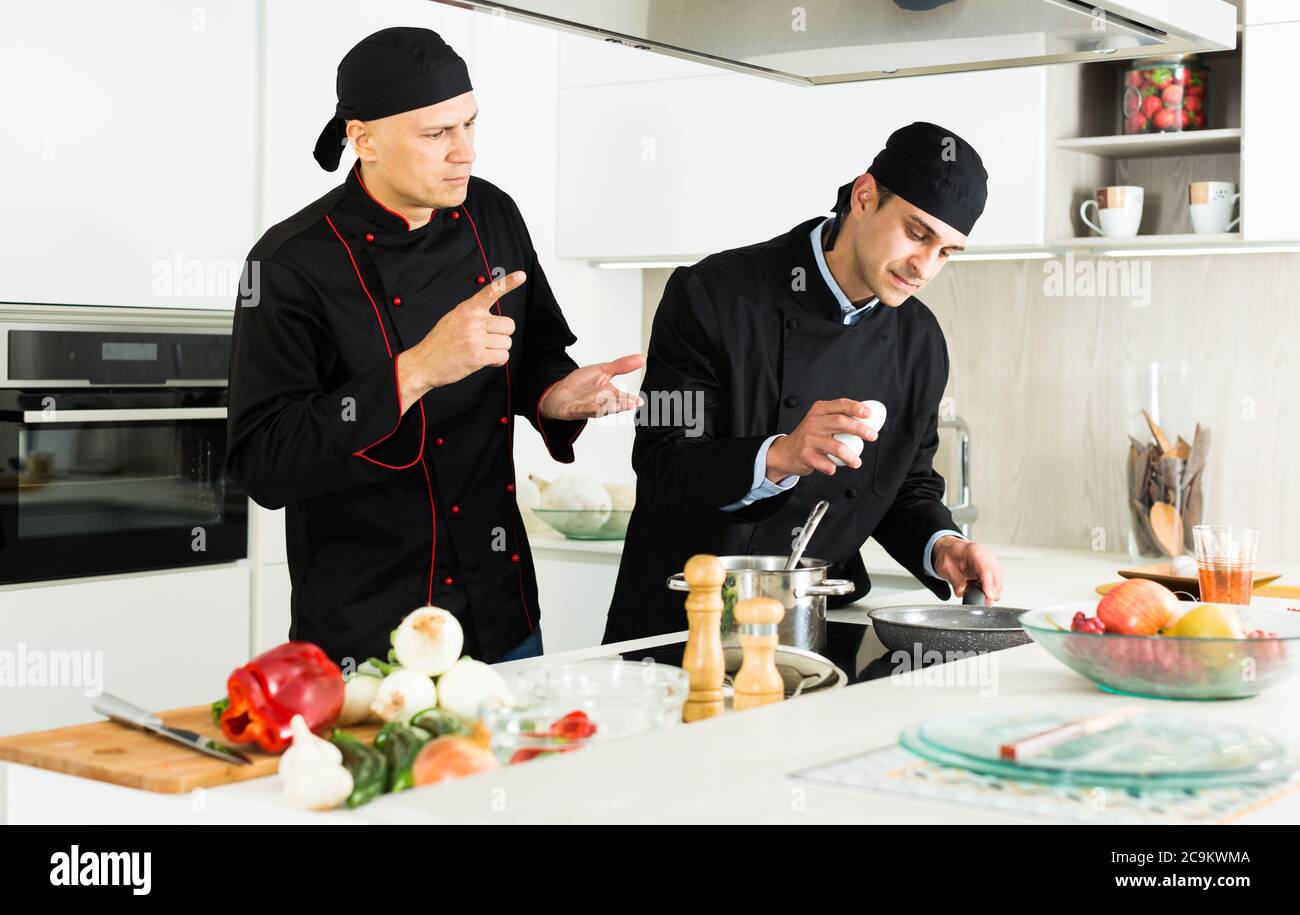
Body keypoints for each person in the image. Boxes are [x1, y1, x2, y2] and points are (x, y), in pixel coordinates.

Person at [226, 27, 642, 665]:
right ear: (362, 138)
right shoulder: (288, 265)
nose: (465, 153)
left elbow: (532, 355)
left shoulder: (494, 213)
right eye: (436, 134)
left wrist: (559, 396)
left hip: (503, 613)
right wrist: (415, 370)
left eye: (471, 125)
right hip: (368, 633)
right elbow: (263, 463)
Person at [604, 122, 1003, 644]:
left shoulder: (920, 341)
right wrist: (779, 455)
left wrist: (940, 542)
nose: (925, 267)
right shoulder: (712, 295)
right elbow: (662, 467)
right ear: (864, 197)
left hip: (811, 623)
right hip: (682, 625)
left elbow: (904, 485)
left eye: (947, 252)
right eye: (917, 233)